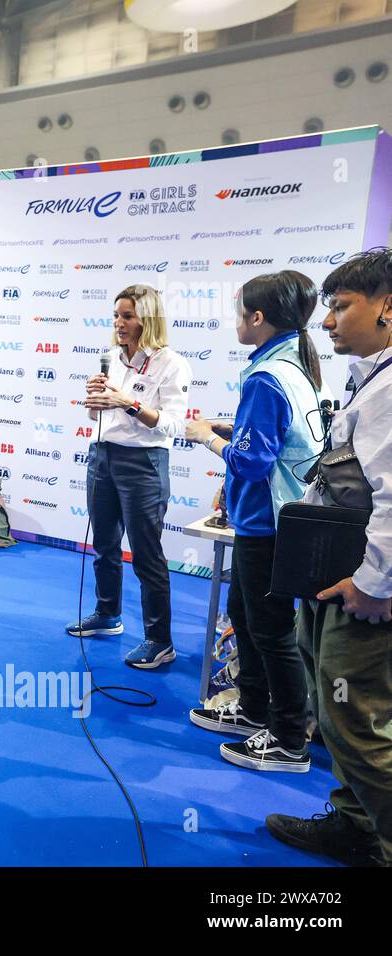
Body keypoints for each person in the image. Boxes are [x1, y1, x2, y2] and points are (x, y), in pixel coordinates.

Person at [264, 248, 392, 868]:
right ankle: (354, 827)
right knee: (339, 708)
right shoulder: (372, 377)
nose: (330, 320)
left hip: (367, 588)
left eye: (342, 306)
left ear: (386, 306)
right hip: (339, 571)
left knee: (354, 723)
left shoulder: (390, 388)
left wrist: (374, 584)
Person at [185, 272, 330, 773]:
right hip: (269, 521)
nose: (236, 320)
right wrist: (235, 429)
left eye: (239, 310)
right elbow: (276, 440)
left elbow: (250, 463)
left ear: (258, 317)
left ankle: (289, 739)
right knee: (246, 617)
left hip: (269, 524)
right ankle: (253, 710)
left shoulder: (267, 376)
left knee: (269, 630)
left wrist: (207, 436)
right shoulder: (292, 365)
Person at [66, 283, 192, 670]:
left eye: (127, 316)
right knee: (104, 544)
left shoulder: (172, 363)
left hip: (144, 464)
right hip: (102, 455)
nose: (119, 324)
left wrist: (129, 402)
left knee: (146, 555)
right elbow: (99, 415)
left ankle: (160, 640)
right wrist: (96, 401)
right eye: (117, 316)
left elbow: (172, 424)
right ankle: (108, 615)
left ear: (147, 320)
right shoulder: (110, 358)